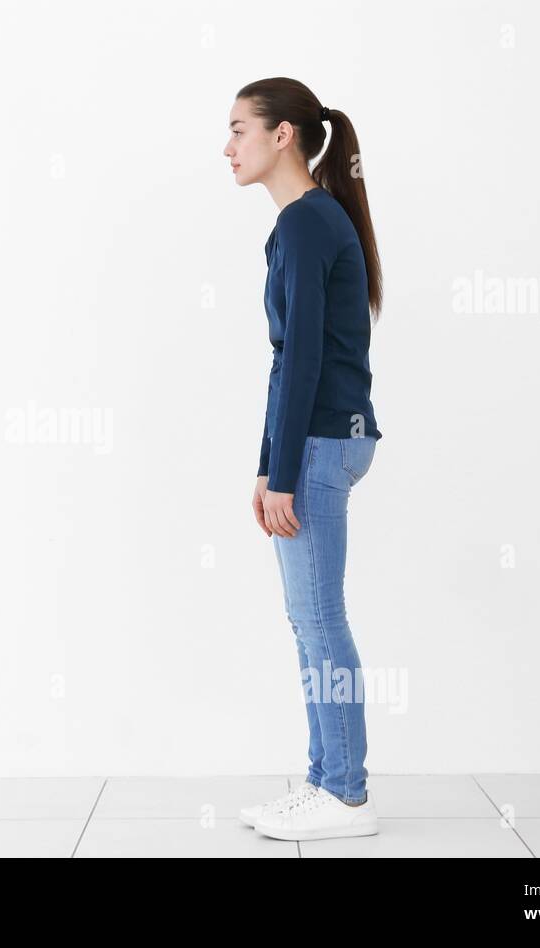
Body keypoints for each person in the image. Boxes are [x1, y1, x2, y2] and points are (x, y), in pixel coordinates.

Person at [225, 78, 384, 842]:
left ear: (283, 134)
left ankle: (347, 795)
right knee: (308, 620)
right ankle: (325, 780)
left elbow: (307, 359)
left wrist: (284, 471)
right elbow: (287, 361)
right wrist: (267, 466)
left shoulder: (307, 224)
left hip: (323, 444)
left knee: (320, 620)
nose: (228, 148)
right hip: (321, 440)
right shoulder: (306, 222)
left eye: (239, 131)